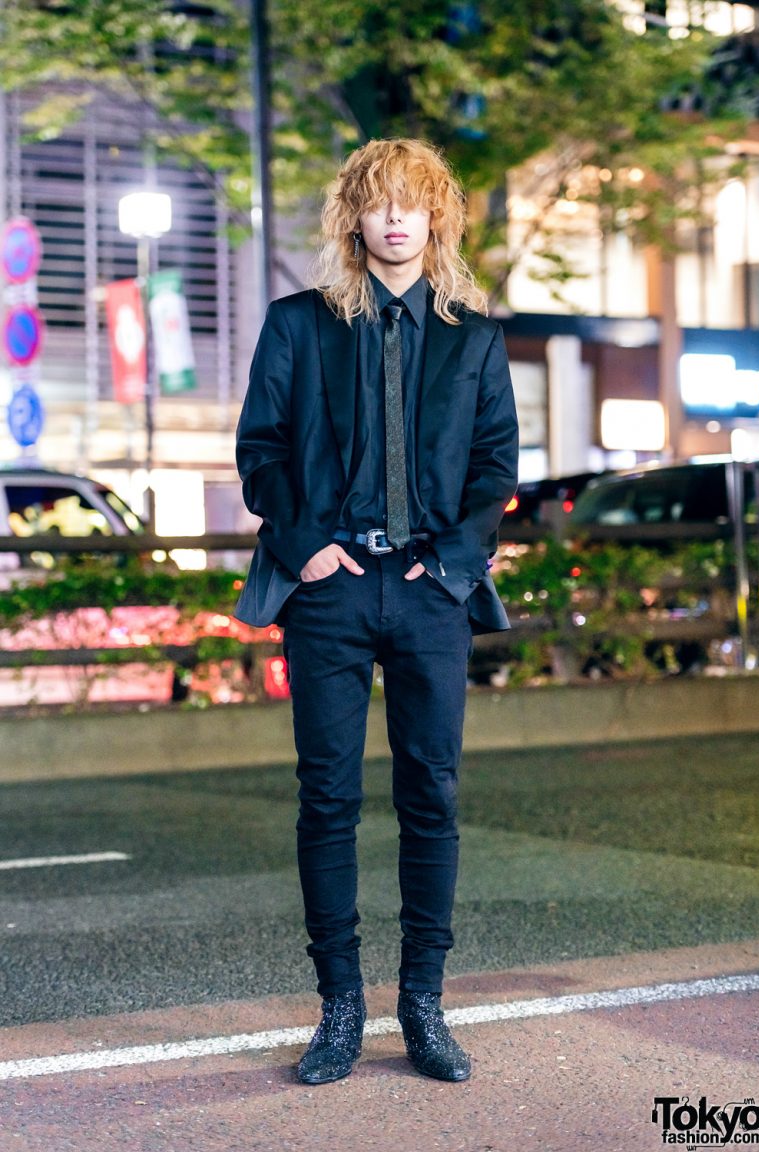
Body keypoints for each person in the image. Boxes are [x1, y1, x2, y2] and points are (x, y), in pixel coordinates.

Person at [235, 138, 519, 1085]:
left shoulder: (474, 335)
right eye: (377, 203)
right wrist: (306, 542)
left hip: (433, 587)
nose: (394, 218)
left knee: (429, 796)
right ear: (353, 218)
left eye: (412, 203)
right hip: (330, 585)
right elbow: (261, 451)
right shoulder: (297, 325)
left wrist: (450, 564)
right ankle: (341, 1009)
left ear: (435, 218)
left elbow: (496, 469)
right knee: (328, 799)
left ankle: (424, 1004)